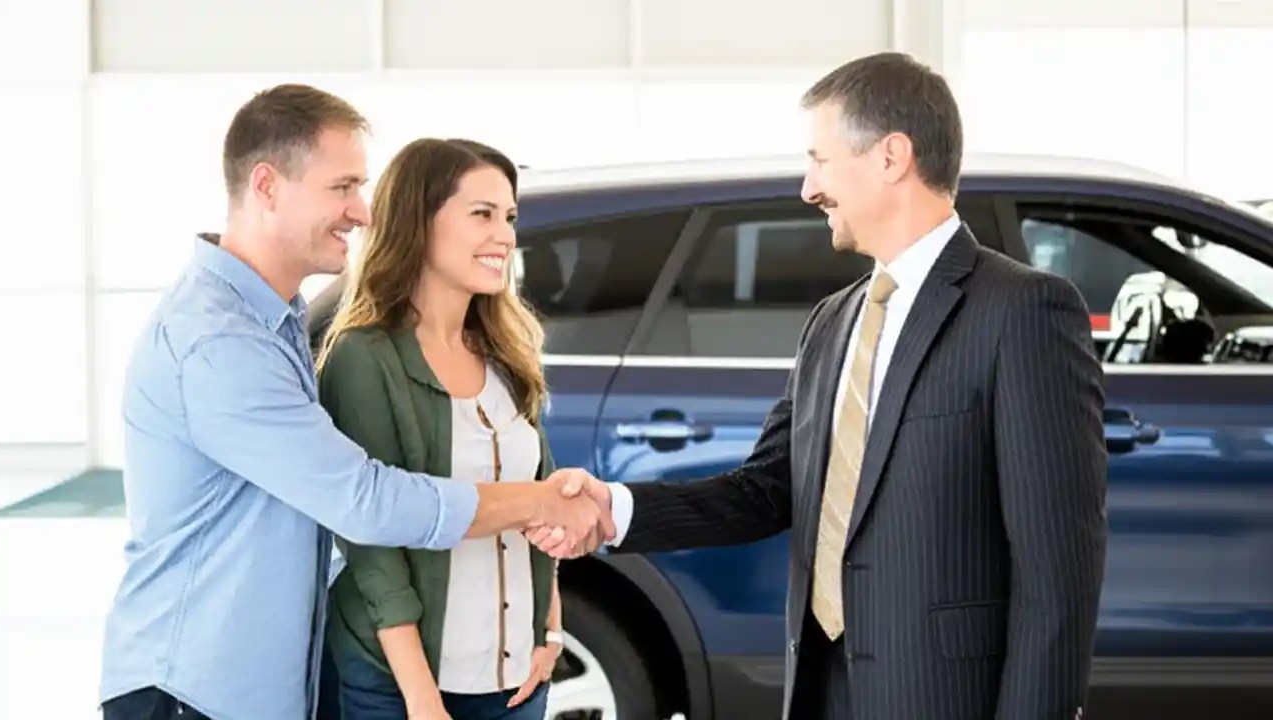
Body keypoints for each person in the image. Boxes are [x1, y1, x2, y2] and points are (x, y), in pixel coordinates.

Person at [531, 53, 1108, 720]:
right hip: (822, 687)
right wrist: (616, 509)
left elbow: (1058, 567)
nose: (808, 188)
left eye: (820, 160)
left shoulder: (1023, 311)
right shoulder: (834, 323)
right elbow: (767, 490)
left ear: (891, 157)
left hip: (948, 697)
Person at [99, 84, 610, 720]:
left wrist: (545, 623)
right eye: (342, 187)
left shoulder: (273, 321)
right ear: (267, 185)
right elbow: (364, 503)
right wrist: (536, 500)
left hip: (254, 690)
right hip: (193, 694)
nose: (363, 212)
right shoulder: (218, 343)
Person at [315, 138, 561, 720]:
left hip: (516, 680)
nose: (504, 235)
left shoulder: (509, 352)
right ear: (418, 223)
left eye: (510, 217)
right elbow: (372, 542)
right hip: (404, 686)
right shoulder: (362, 358)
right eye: (482, 214)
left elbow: (537, 504)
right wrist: (421, 697)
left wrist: (550, 632)